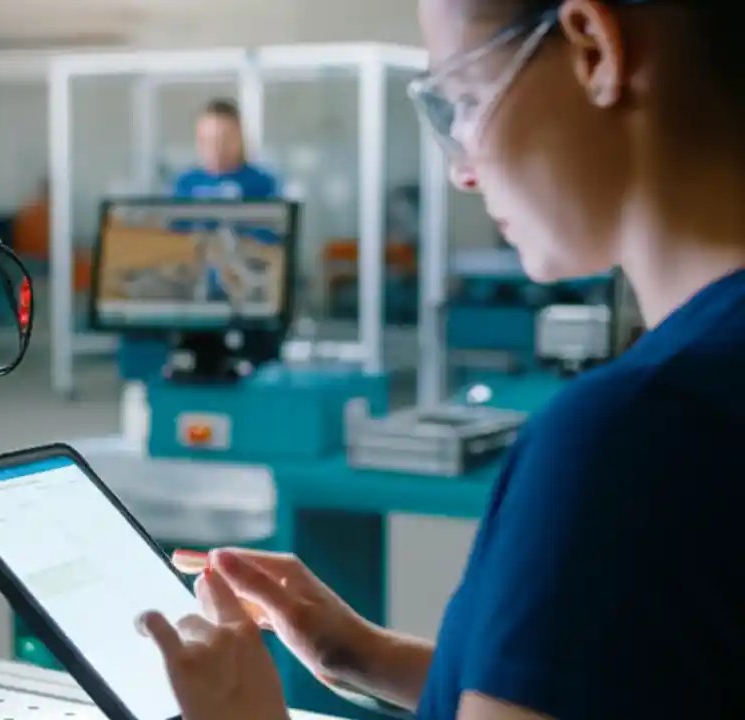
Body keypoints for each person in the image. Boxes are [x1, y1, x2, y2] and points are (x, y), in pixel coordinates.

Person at [138, 0, 745, 718]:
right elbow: (624, 683)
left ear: (593, 52)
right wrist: (355, 653)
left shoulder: (629, 436)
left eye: (464, 98)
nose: (461, 168)